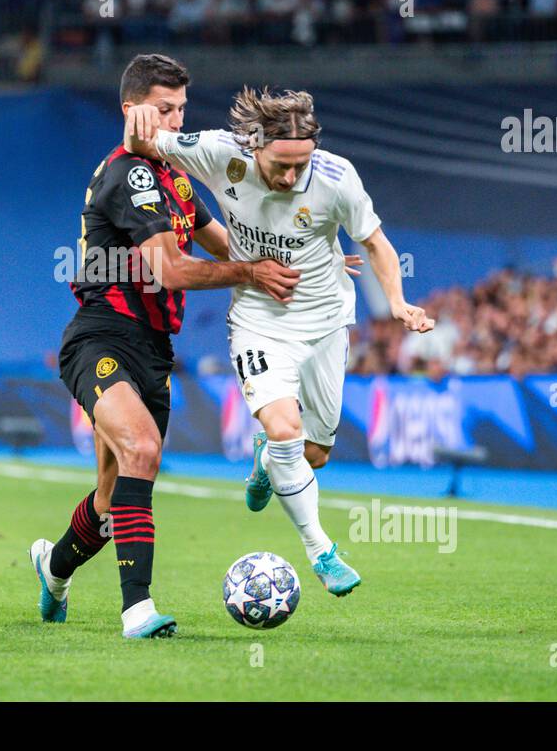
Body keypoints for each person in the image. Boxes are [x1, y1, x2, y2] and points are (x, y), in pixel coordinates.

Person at [28, 54, 301, 639]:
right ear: (131, 111)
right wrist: (254, 274)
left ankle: (52, 570)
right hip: (100, 335)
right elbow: (172, 271)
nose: (177, 120)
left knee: (110, 497)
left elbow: (226, 242)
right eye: (163, 109)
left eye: (181, 109)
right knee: (144, 451)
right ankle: (137, 610)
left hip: (153, 350)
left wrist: (306, 265)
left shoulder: (174, 177)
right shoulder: (128, 174)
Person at [125, 85, 434, 596]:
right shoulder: (220, 152)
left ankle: (266, 459)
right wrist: (138, 113)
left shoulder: (338, 179)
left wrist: (398, 302)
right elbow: (145, 141)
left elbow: (375, 242)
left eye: (300, 165)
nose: (292, 177)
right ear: (254, 146)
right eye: (281, 166)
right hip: (259, 319)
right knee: (288, 430)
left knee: (313, 453)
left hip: (327, 321)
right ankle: (322, 553)